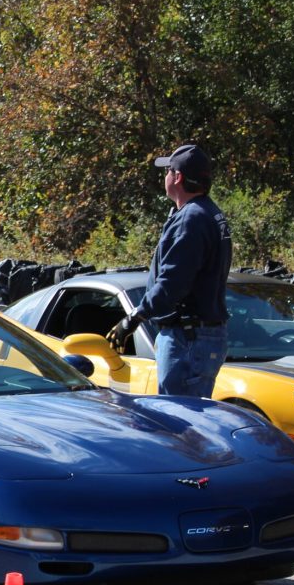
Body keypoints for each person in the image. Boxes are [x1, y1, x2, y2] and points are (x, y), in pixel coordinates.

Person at [107, 143, 233, 397]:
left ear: (178, 177)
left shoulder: (191, 219)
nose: (164, 177)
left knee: (179, 423)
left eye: (167, 172)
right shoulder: (207, 213)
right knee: (190, 423)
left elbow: (174, 281)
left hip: (187, 337)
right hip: (200, 335)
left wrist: (134, 318)